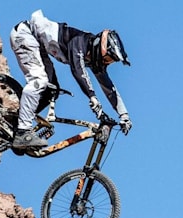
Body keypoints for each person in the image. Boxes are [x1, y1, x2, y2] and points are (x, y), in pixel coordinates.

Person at [9, 10, 132, 151]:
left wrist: (124, 115)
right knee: (39, 81)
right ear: (100, 48)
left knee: (50, 91)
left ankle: (18, 123)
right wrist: (92, 97)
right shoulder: (80, 41)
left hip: (38, 46)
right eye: (108, 59)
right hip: (25, 35)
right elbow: (78, 70)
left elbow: (108, 88)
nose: (107, 63)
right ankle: (23, 131)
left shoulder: (93, 58)